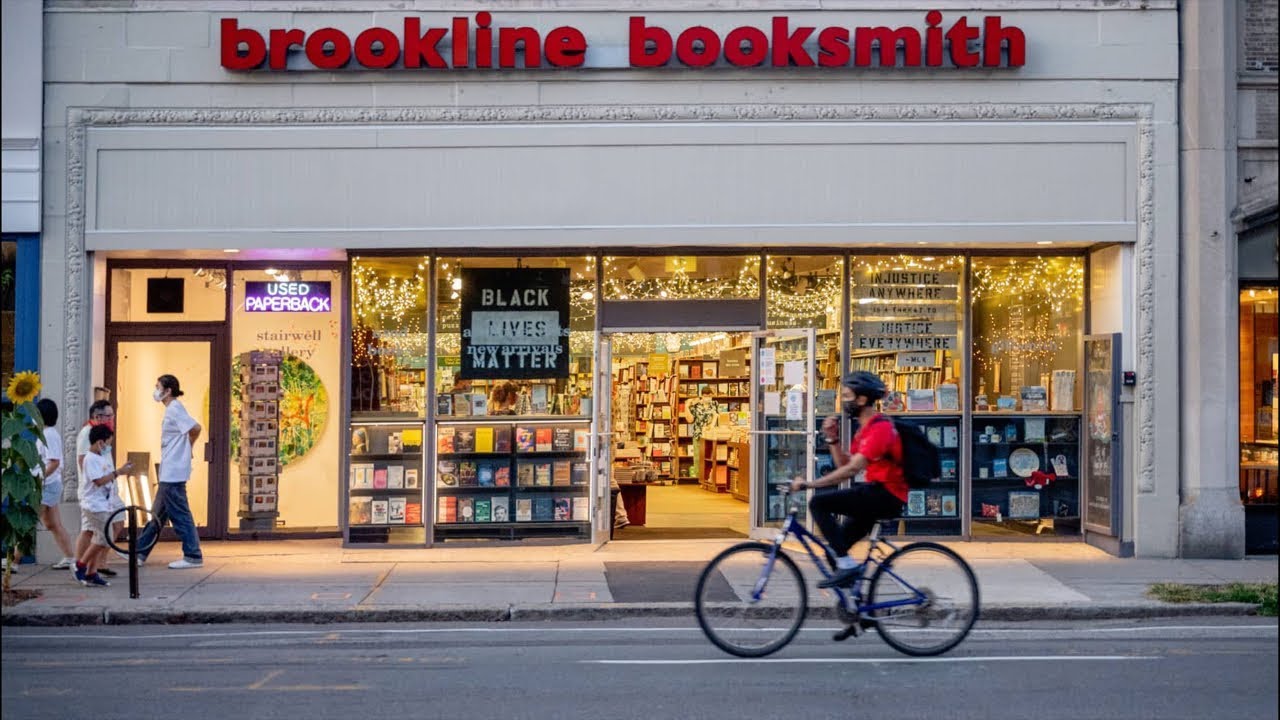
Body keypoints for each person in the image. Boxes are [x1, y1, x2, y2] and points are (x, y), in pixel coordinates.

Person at [790, 371, 907, 589]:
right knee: (835, 550)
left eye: (847, 396)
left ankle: (848, 569)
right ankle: (855, 608)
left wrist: (811, 484)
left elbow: (852, 469)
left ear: (862, 399)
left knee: (818, 503)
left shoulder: (880, 428)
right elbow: (845, 464)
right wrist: (832, 438)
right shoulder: (865, 429)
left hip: (886, 494)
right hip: (875, 492)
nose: (843, 401)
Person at [136, 374, 204, 569]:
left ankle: (193, 555)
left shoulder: (174, 409)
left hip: (174, 471)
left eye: (158, 387)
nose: (155, 390)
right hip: (170, 469)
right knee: (158, 513)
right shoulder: (171, 410)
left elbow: (195, 428)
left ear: (168, 391)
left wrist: (189, 446)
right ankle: (140, 552)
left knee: (180, 514)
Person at [75, 423, 132, 587]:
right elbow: (99, 481)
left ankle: (91, 572)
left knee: (102, 538)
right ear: (100, 442)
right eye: (107, 443)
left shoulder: (99, 458)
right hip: (94, 505)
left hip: (103, 504)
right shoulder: (90, 459)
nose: (108, 447)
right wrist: (118, 472)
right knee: (103, 538)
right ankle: (82, 565)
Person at [74, 399, 120, 577]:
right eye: (108, 416)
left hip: (108, 492)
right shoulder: (88, 433)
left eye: (112, 415)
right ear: (97, 416)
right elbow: (84, 460)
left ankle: (97, 564)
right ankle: (81, 565)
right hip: (94, 494)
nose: (111, 419)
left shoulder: (104, 433)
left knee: (116, 524)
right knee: (91, 531)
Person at [35, 399, 76, 569]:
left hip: (46, 486)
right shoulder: (48, 433)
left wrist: (38, 479)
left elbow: (54, 462)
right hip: (50, 485)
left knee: (29, 521)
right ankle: (69, 557)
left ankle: (13, 561)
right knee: (53, 524)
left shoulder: (48, 435)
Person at [682, 386, 719, 481]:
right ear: (702, 395)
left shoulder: (715, 404)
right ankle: (701, 479)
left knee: (711, 457)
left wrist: (712, 425)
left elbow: (717, 416)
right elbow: (690, 420)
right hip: (699, 435)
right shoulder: (696, 406)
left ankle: (710, 478)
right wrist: (686, 407)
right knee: (699, 457)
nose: (708, 398)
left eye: (710, 395)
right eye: (706, 395)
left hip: (711, 435)